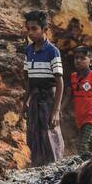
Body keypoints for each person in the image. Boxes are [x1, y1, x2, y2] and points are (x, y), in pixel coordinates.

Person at [20, 10, 65, 165]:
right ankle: (38, 169)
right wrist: (25, 102)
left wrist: (56, 111)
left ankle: (55, 167)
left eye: (34, 29)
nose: (30, 33)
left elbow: (60, 82)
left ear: (45, 30)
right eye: (28, 29)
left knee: (50, 134)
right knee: (34, 134)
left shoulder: (52, 51)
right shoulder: (29, 50)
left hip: (49, 100)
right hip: (35, 99)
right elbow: (29, 80)